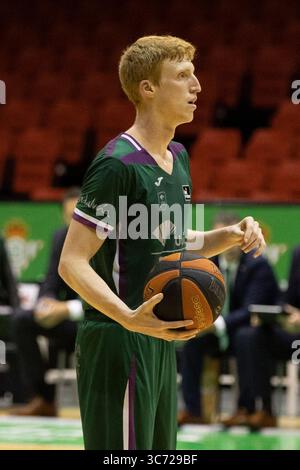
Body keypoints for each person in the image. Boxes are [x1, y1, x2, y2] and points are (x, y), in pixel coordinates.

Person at [58, 35, 266, 450]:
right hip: (117, 337)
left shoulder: (178, 156)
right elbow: (72, 262)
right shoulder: (117, 164)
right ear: (148, 88)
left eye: (195, 74)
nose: (198, 86)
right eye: (183, 76)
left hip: (158, 335)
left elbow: (169, 241)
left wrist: (226, 235)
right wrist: (127, 315)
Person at [178, 212, 279, 426]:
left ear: (240, 238)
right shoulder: (205, 262)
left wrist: (217, 324)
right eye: (219, 238)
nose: (225, 244)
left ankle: (246, 408)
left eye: (229, 238)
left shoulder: (257, 264)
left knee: (247, 338)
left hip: (242, 331)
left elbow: (251, 308)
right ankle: (193, 410)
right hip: (215, 332)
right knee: (192, 340)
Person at [11, 187, 83, 417]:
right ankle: (43, 398)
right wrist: (46, 303)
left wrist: (67, 309)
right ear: (63, 216)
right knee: (22, 320)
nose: (74, 223)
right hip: (68, 320)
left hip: (98, 318)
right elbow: (52, 280)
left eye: (79, 216)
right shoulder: (60, 237)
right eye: (70, 216)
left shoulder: (107, 239)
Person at [223, 246, 300, 430]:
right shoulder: (298, 253)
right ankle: (257, 409)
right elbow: (287, 297)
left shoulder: (257, 265)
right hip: (294, 334)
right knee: (248, 335)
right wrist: (282, 312)